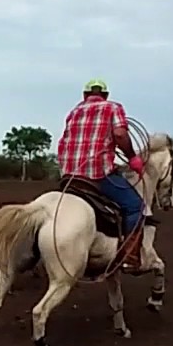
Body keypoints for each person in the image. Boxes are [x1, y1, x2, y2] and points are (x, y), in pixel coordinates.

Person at [55, 78, 146, 260]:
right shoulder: (113, 107)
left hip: (69, 176)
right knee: (135, 206)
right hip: (97, 175)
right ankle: (130, 256)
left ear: (85, 95)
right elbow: (120, 134)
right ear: (105, 95)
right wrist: (132, 158)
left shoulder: (74, 112)